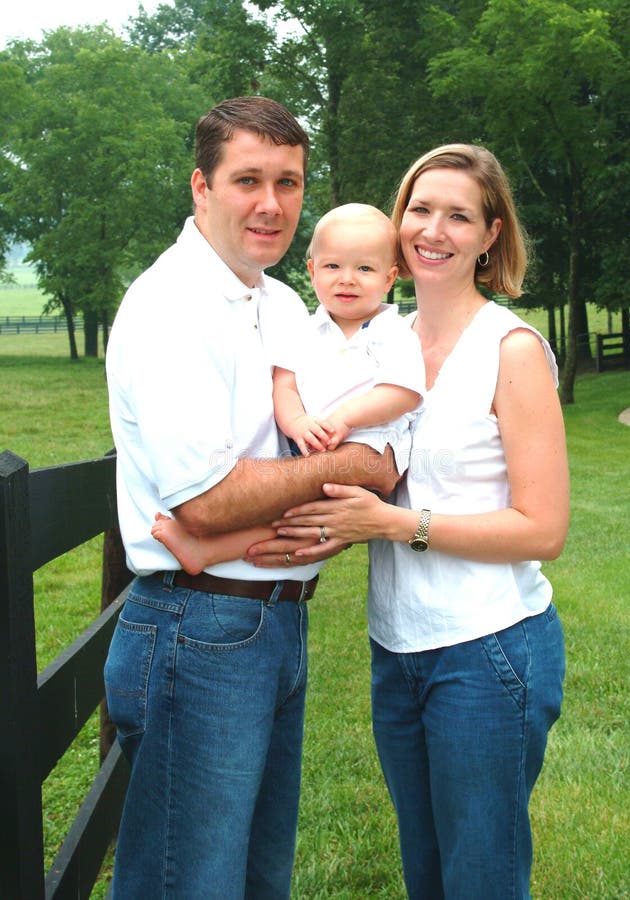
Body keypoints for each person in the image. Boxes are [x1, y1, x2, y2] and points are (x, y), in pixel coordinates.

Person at [103, 96, 398, 900]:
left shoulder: (273, 301)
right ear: (200, 187)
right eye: (247, 180)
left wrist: (345, 505)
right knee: (187, 883)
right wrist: (364, 471)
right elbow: (203, 502)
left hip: (269, 621)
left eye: (289, 182)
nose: (271, 204)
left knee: (256, 879)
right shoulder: (171, 307)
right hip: (196, 629)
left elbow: (339, 427)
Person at [257, 144, 569, 899]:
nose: (433, 229)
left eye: (458, 215)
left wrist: (394, 526)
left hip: (487, 650)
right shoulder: (371, 339)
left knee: (481, 875)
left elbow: (542, 528)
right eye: (420, 209)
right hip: (396, 646)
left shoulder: (512, 349)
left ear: (490, 235)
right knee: (425, 874)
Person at [151, 202, 425, 576]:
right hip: (308, 442)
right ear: (312, 271)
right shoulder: (303, 329)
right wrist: (296, 422)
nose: (347, 279)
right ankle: (205, 549)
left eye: (364, 268)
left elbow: (401, 392)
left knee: (308, 514)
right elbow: (285, 384)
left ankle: (208, 550)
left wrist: (346, 418)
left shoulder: (392, 332)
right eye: (333, 266)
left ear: (390, 278)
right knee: (290, 511)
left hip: (371, 442)